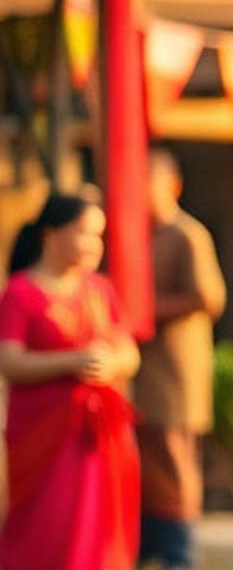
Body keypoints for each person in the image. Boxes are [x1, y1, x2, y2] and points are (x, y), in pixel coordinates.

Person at [0, 189, 141, 570]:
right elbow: (9, 362)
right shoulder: (20, 293)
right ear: (51, 234)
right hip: (43, 432)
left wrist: (110, 364)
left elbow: (130, 353)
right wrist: (71, 362)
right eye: (84, 233)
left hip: (101, 433)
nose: (94, 245)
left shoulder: (101, 289)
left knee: (103, 528)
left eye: (99, 235)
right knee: (48, 525)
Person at [135, 151, 226, 570]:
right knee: (148, 454)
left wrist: (147, 310)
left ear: (171, 185)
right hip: (144, 370)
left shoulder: (187, 234)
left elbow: (209, 297)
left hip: (176, 370)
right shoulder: (140, 235)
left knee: (175, 456)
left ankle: (180, 547)